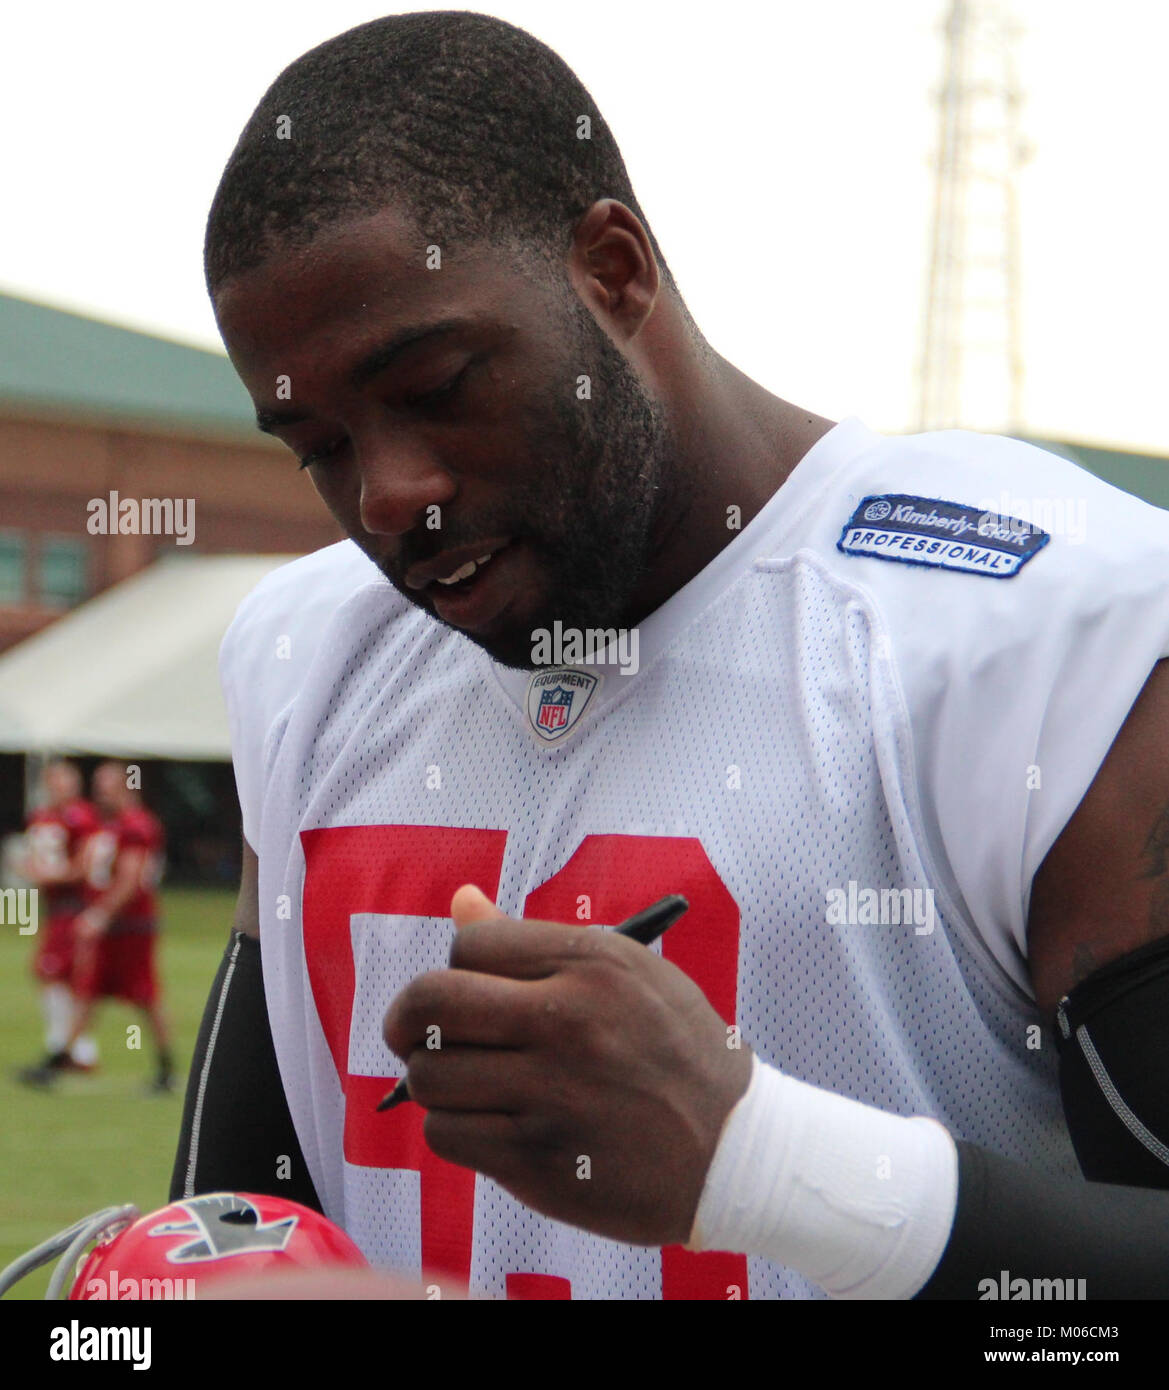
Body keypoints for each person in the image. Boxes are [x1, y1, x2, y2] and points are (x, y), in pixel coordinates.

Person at [172, 12, 1169, 1299]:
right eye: (318, 444)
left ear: (613, 269)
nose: (387, 495)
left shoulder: (1042, 629)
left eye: (436, 384)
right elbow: (230, 1223)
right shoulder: (308, 659)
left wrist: (758, 1159)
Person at [39, 761, 174, 1094]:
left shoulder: (136, 825)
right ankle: (57, 1060)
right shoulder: (110, 825)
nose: (100, 794)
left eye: (107, 786)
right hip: (115, 925)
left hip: (130, 925)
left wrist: (99, 914)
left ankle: (166, 1068)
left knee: (144, 995)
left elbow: (129, 880)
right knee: (89, 991)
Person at [17, 758, 102, 1080]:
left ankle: (68, 1048)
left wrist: (55, 875)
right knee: (58, 973)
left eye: (63, 780)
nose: (57, 786)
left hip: (76, 904)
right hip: (55, 907)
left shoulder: (82, 816)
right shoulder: (42, 816)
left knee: (55, 971)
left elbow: (87, 862)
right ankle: (74, 1048)